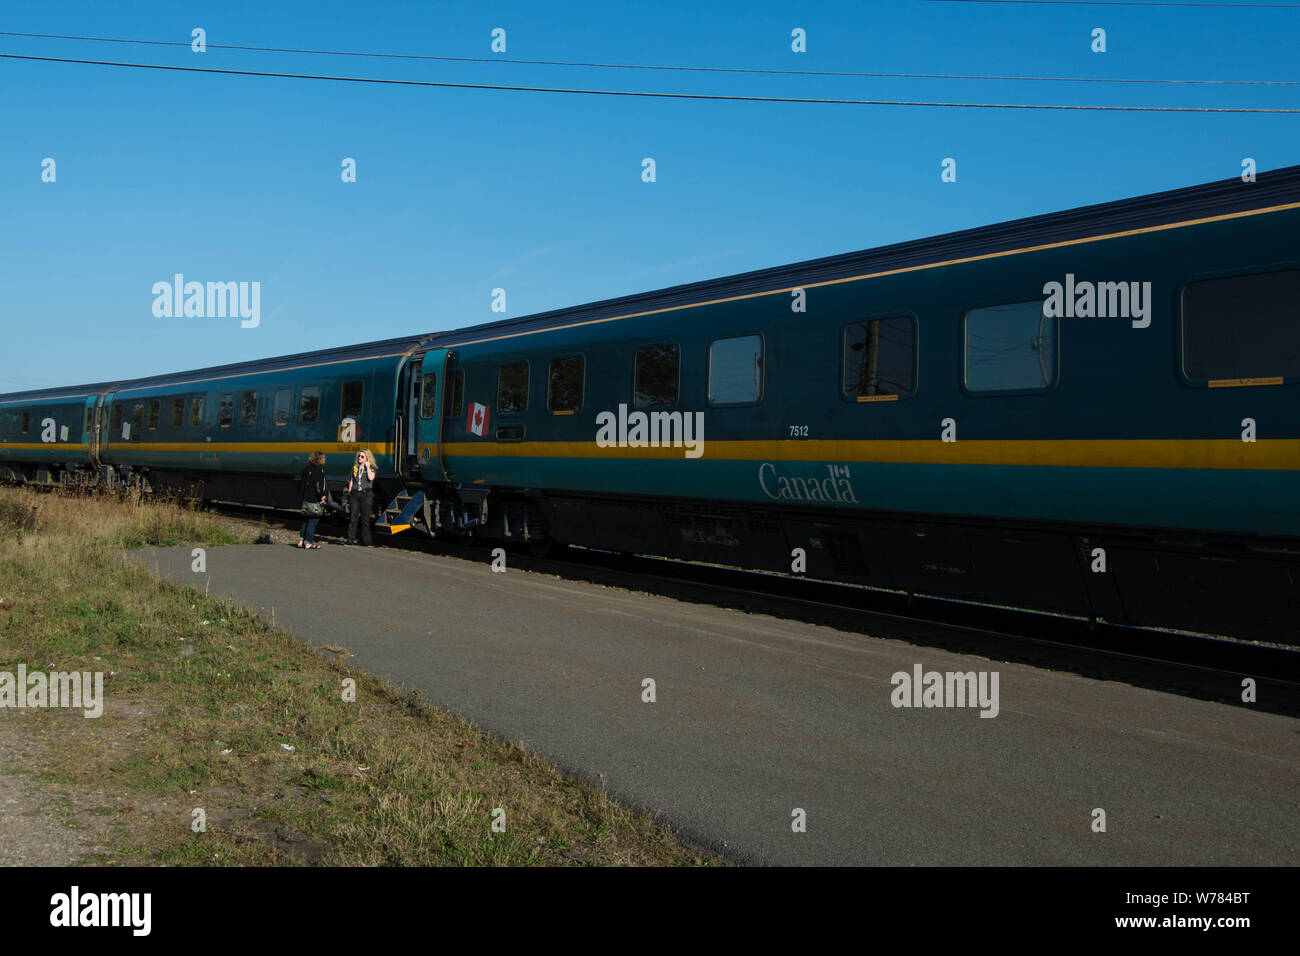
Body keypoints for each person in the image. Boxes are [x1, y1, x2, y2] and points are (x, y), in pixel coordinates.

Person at [345, 448, 377, 546]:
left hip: (366, 495)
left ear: (367, 458)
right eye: (359, 456)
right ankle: (350, 540)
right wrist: (349, 492)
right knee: (353, 518)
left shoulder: (372, 467)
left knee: (365, 520)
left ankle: (366, 541)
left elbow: (371, 478)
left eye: (362, 456)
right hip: (355, 494)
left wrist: (367, 467)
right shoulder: (355, 468)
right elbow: (351, 480)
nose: (360, 458)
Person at [298, 451, 328, 549]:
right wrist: (322, 497)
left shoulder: (306, 469)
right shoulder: (319, 471)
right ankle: (308, 542)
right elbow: (320, 487)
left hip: (305, 499)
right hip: (314, 500)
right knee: (313, 520)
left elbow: (301, 485)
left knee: (306, 519)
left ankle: (301, 540)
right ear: (320, 460)